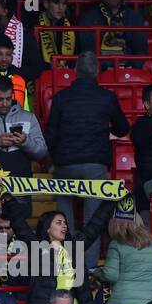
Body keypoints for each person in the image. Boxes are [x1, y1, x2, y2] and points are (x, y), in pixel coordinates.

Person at [44, 52, 129, 262]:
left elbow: (51, 135)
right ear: (97, 72)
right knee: (93, 219)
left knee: (63, 217)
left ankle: (64, 262)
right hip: (95, 165)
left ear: (75, 71)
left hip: (65, 165)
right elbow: (122, 128)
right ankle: (88, 267)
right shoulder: (106, 97)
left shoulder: (61, 98)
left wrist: (54, 161)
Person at [77, 0, 147, 64]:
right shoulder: (88, 17)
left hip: (128, 69)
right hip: (98, 70)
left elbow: (140, 48)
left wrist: (132, 68)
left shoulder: (134, 17)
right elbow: (87, 50)